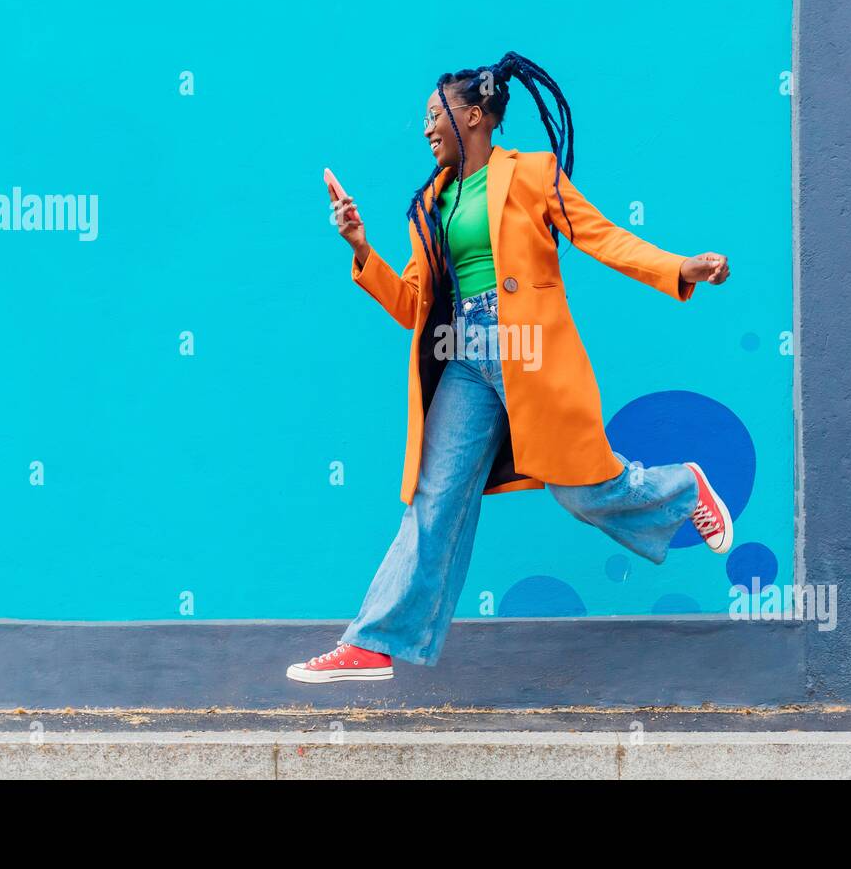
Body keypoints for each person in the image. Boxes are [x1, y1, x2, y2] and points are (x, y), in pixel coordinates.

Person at [288, 52, 732, 684]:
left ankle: (684, 486)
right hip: (464, 357)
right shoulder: (429, 204)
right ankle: (374, 641)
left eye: (432, 114)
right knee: (434, 498)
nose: (425, 129)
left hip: (529, 348)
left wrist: (676, 266)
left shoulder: (532, 174)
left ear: (473, 115)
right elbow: (415, 304)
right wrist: (361, 248)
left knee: (583, 495)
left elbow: (602, 237)